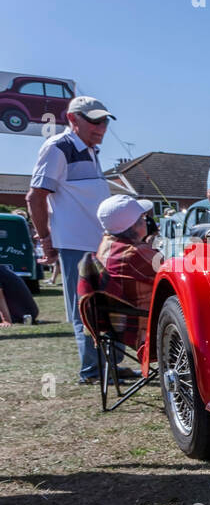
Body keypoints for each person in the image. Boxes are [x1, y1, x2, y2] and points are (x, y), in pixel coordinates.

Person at [26, 96, 115, 384]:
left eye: (103, 121)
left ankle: (107, 367)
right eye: (94, 121)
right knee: (85, 309)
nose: (101, 127)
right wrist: (46, 240)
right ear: (72, 119)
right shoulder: (57, 148)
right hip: (77, 245)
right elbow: (35, 196)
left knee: (102, 309)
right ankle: (92, 371)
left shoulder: (90, 150)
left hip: (98, 245)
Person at [77, 195, 159, 364]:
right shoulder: (135, 253)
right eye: (143, 218)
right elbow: (174, 271)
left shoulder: (106, 245)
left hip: (116, 324)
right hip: (147, 326)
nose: (147, 221)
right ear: (135, 226)